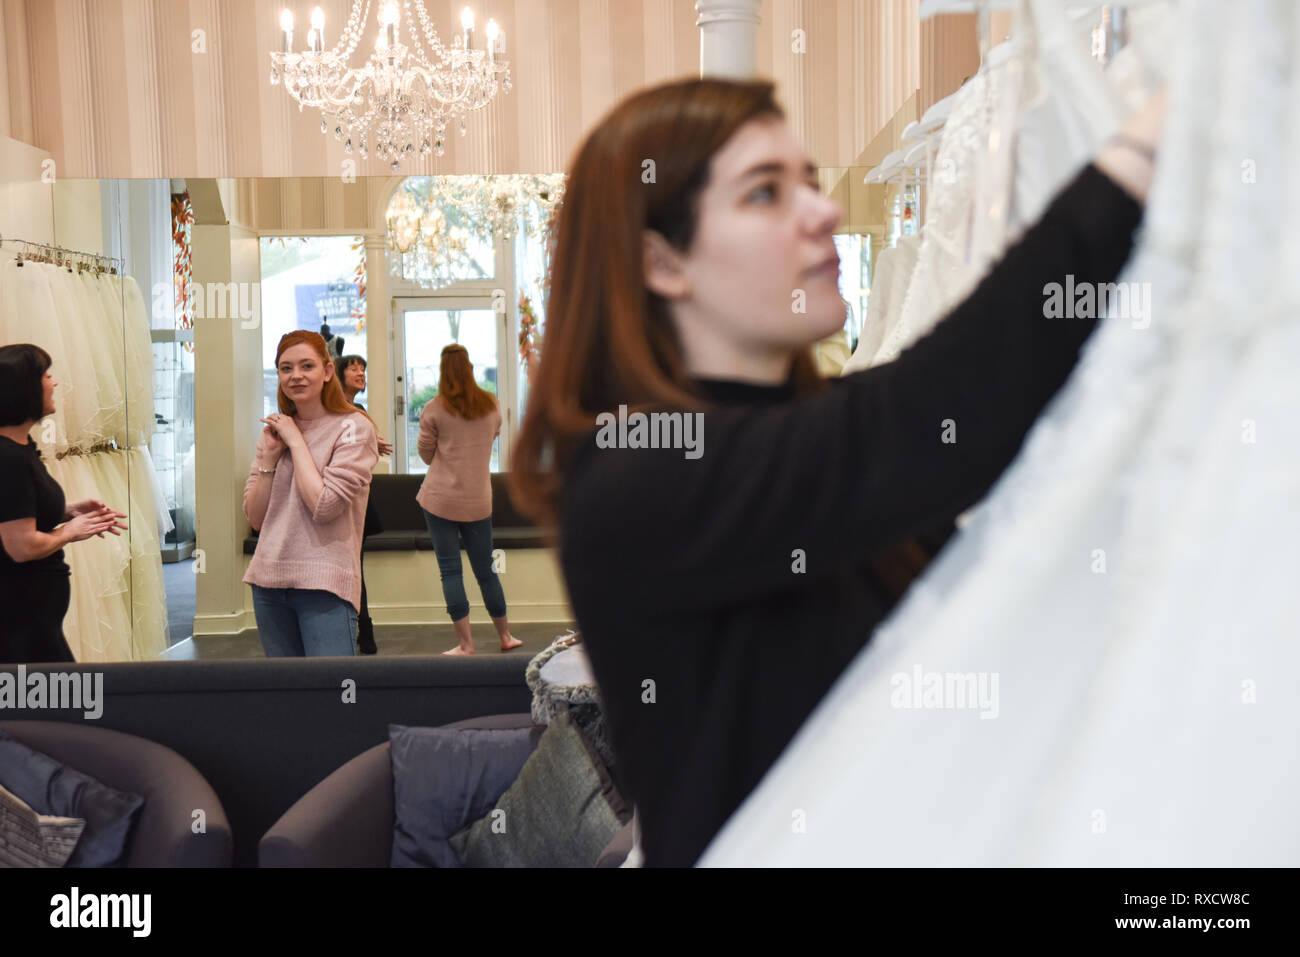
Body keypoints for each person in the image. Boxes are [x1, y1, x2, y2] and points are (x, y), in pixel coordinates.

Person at [509, 78, 1166, 866]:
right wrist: (1142, 149)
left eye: (812, 185)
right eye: (765, 193)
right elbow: (932, 416)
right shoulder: (634, 475)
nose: (822, 213)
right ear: (662, 261)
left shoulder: (790, 441)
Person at [243, 331, 378, 657]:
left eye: (307, 366)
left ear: (327, 371)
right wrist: (270, 459)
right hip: (268, 584)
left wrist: (295, 440)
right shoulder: (273, 434)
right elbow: (256, 518)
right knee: (287, 701)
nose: (296, 376)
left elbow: (324, 505)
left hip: (325, 587)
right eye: (286, 368)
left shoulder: (354, 427)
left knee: (333, 700)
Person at [0, 344, 127, 664]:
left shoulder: (22, 446)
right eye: (46, 375)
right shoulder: (8, 458)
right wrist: (70, 531)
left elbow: (17, 510)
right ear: (23, 387)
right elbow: (21, 547)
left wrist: (66, 510)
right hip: (18, 623)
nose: (54, 383)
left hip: (33, 621)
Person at [417, 344, 521, 656]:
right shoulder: (491, 404)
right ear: (470, 368)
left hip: (439, 500)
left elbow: (424, 454)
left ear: (442, 371)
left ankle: (466, 644)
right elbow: (493, 435)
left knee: (450, 571)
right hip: (478, 501)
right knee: (486, 570)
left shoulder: (433, 408)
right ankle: (505, 636)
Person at [335, 354, 394, 655]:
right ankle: (358, 628)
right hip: (335, 499)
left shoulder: (358, 410)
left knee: (355, 565)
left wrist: (375, 443)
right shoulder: (331, 410)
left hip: (357, 498)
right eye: (353, 368)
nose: (360, 373)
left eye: (363, 369)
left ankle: (364, 628)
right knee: (347, 565)